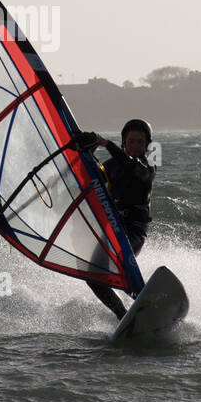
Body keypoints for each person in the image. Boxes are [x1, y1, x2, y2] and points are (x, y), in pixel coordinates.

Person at [73, 118, 154, 321]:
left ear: (146, 145)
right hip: (111, 228)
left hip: (134, 231)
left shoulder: (147, 169)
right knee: (93, 275)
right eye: (131, 141)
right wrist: (85, 152)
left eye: (140, 142)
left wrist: (106, 144)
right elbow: (90, 177)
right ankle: (122, 315)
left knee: (121, 265)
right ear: (124, 143)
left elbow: (130, 167)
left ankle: (147, 304)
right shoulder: (111, 165)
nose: (135, 146)